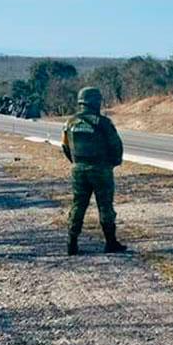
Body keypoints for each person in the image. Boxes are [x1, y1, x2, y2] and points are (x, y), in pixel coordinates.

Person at [61, 87, 126, 256]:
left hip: (78, 170)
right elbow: (116, 146)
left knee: (78, 205)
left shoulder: (70, 122)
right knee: (105, 207)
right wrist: (113, 163)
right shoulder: (103, 123)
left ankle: (72, 243)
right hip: (101, 170)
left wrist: (76, 163)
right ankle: (110, 242)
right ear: (96, 102)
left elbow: (65, 146)